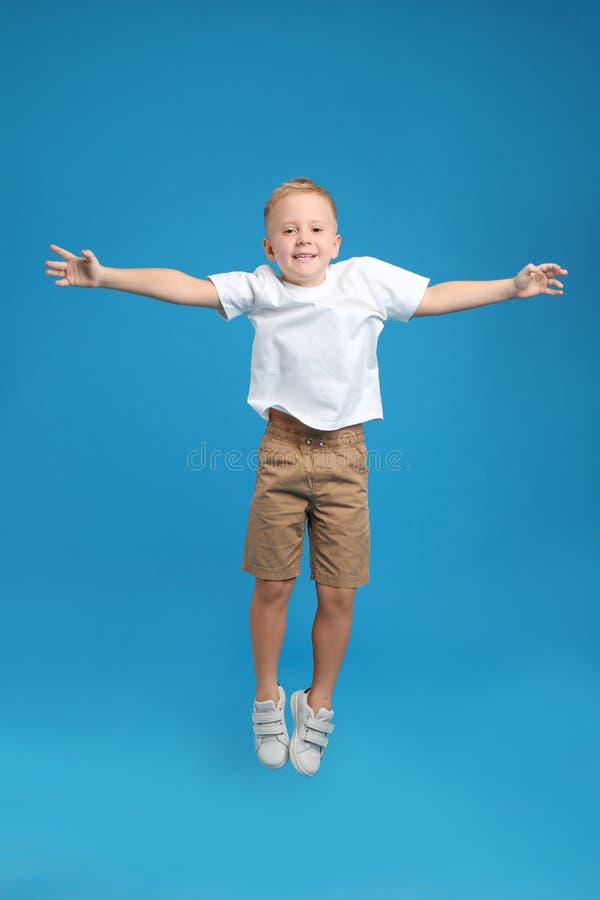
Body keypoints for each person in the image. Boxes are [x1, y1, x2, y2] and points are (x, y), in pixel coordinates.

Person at [45, 177, 568, 777]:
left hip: (346, 454)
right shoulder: (261, 289)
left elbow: (435, 297)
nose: (303, 239)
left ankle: (316, 705)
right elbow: (186, 286)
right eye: (288, 230)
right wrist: (105, 275)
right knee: (273, 584)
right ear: (269, 247)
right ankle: (268, 697)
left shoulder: (365, 279)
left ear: (336, 241)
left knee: (339, 590)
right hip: (283, 450)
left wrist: (511, 286)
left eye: (315, 228)